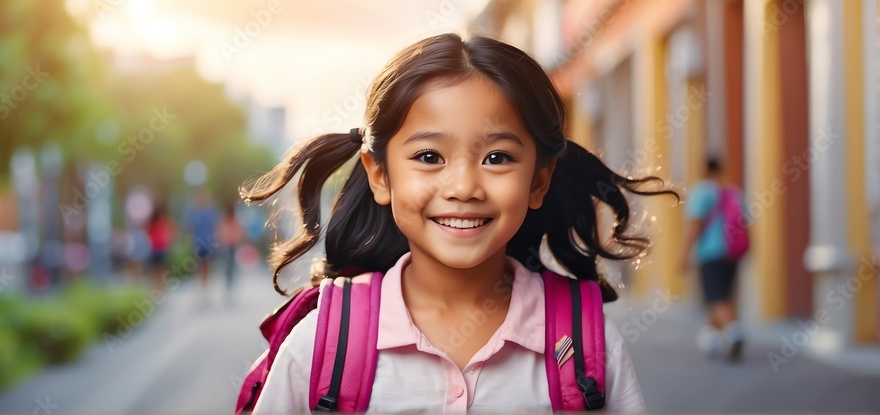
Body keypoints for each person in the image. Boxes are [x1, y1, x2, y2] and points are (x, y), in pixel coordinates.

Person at [243, 33, 677, 413]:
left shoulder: (586, 346)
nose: (464, 187)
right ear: (380, 174)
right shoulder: (320, 344)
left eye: (497, 158)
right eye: (429, 157)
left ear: (538, 180)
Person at [682, 158, 745, 361]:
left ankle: (734, 332)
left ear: (705, 170)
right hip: (732, 254)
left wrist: (684, 254)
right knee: (722, 296)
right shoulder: (734, 193)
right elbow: (746, 222)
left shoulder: (701, 192)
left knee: (715, 297)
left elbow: (695, 225)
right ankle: (711, 338)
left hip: (710, 253)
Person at [186, 188, 219, 298]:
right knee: (198, 266)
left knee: (207, 266)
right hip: (197, 245)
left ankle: (206, 289)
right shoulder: (194, 213)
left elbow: (214, 227)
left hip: (208, 244)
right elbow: (190, 229)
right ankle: (199, 289)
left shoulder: (210, 212)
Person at [216, 201, 247, 300]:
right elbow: (221, 232)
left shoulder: (235, 220)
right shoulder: (225, 220)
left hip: (232, 246)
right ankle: (229, 285)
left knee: (231, 266)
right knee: (228, 267)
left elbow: (240, 231)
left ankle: (230, 286)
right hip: (227, 246)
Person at [147, 205, 175, 293]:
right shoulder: (156, 223)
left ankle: (159, 288)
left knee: (157, 271)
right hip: (157, 249)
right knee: (159, 271)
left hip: (157, 250)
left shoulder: (158, 223)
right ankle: (159, 288)